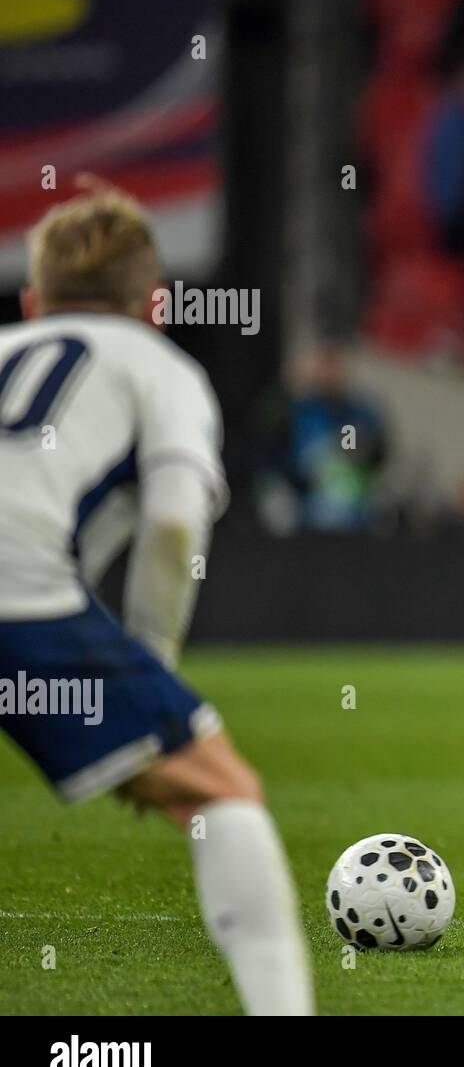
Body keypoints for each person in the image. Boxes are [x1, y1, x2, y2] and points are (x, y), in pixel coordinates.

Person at [0, 184, 313, 1013]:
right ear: (157, 303)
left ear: (33, 302)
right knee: (221, 791)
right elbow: (175, 526)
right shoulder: (158, 366)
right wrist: (154, 666)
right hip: (18, 596)